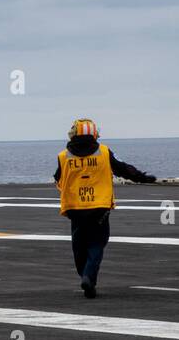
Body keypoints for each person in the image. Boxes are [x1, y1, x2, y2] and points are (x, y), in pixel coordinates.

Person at [53, 118, 156, 298]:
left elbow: (58, 180)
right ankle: (88, 276)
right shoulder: (104, 152)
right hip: (99, 206)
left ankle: (85, 275)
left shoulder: (63, 156)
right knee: (96, 243)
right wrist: (143, 177)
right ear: (94, 134)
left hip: (75, 207)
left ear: (73, 134)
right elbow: (124, 169)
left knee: (78, 245)